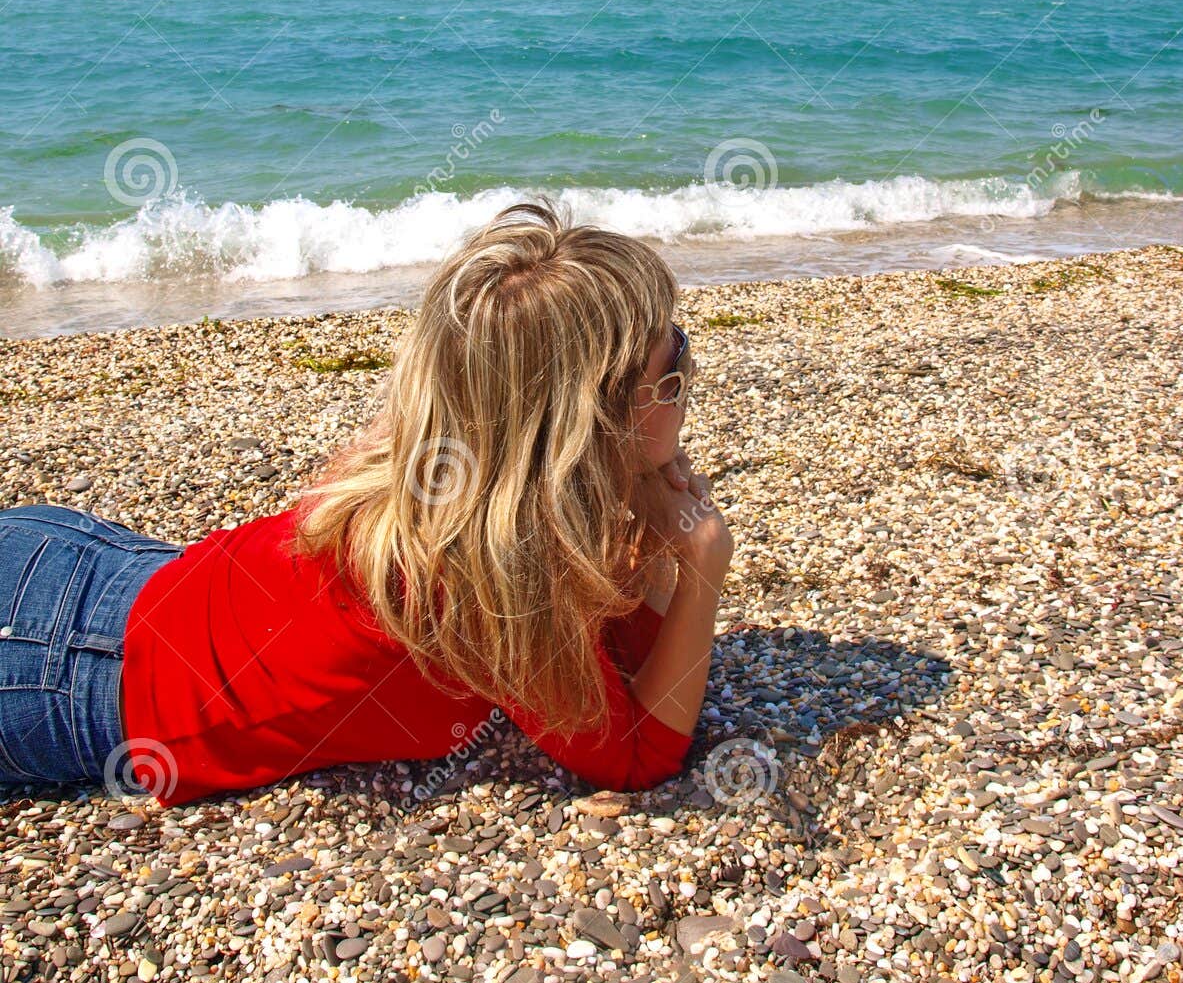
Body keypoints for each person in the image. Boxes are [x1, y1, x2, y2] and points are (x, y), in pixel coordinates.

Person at [0, 198, 735, 807]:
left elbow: (617, 656)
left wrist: (641, 533)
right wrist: (699, 561)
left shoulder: (451, 465)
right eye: (674, 355)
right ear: (598, 414)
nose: (688, 362)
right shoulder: (487, 578)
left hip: (93, 567)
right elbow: (638, 755)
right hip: (64, 673)